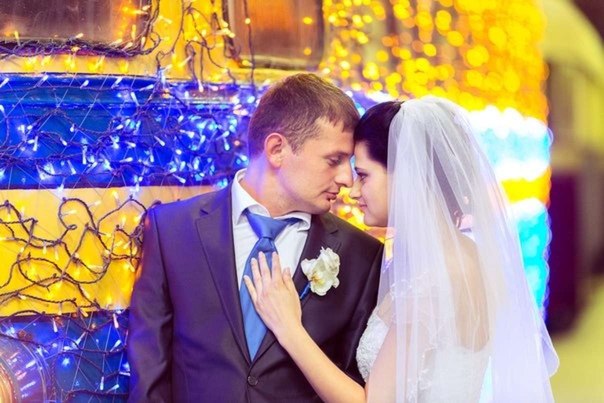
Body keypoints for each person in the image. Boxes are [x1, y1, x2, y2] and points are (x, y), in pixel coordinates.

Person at [244, 96, 559, 402]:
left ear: (408, 174)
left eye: (364, 176)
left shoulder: (434, 277)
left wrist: (289, 328)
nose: (353, 191)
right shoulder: (465, 255)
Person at [127, 73, 383, 402]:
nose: (347, 178)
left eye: (349, 163)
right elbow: (149, 372)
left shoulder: (361, 255)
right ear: (276, 149)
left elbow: (352, 378)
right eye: (334, 160)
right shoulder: (172, 230)